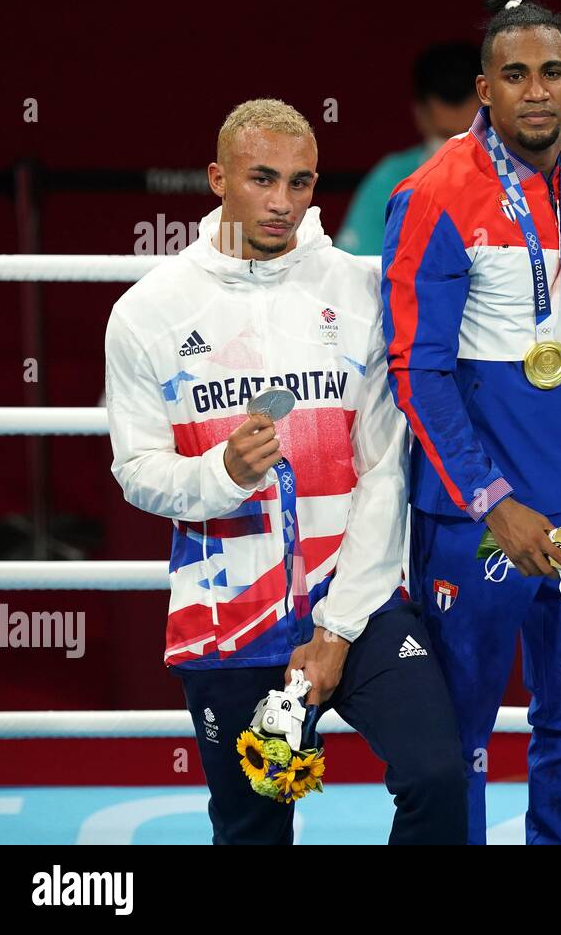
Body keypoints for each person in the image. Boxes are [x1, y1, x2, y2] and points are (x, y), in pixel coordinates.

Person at [105, 98, 467, 845]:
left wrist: (337, 627)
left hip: (359, 600)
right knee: (252, 830)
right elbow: (136, 470)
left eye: (300, 183)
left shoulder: (359, 293)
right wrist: (223, 473)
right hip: (228, 616)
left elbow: (385, 470)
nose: (282, 203)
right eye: (262, 179)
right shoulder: (148, 313)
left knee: (437, 773)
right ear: (216, 179)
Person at [382, 0, 561, 845]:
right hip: (476, 515)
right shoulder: (434, 193)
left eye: (552, 73)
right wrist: (492, 499)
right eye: (513, 75)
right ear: (484, 89)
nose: (535, 91)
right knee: (461, 741)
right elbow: (417, 371)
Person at [337, 41, 482, 256]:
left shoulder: (520, 179)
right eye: (445, 136)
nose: (458, 149)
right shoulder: (389, 180)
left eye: (469, 135)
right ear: (420, 116)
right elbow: (352, 268)